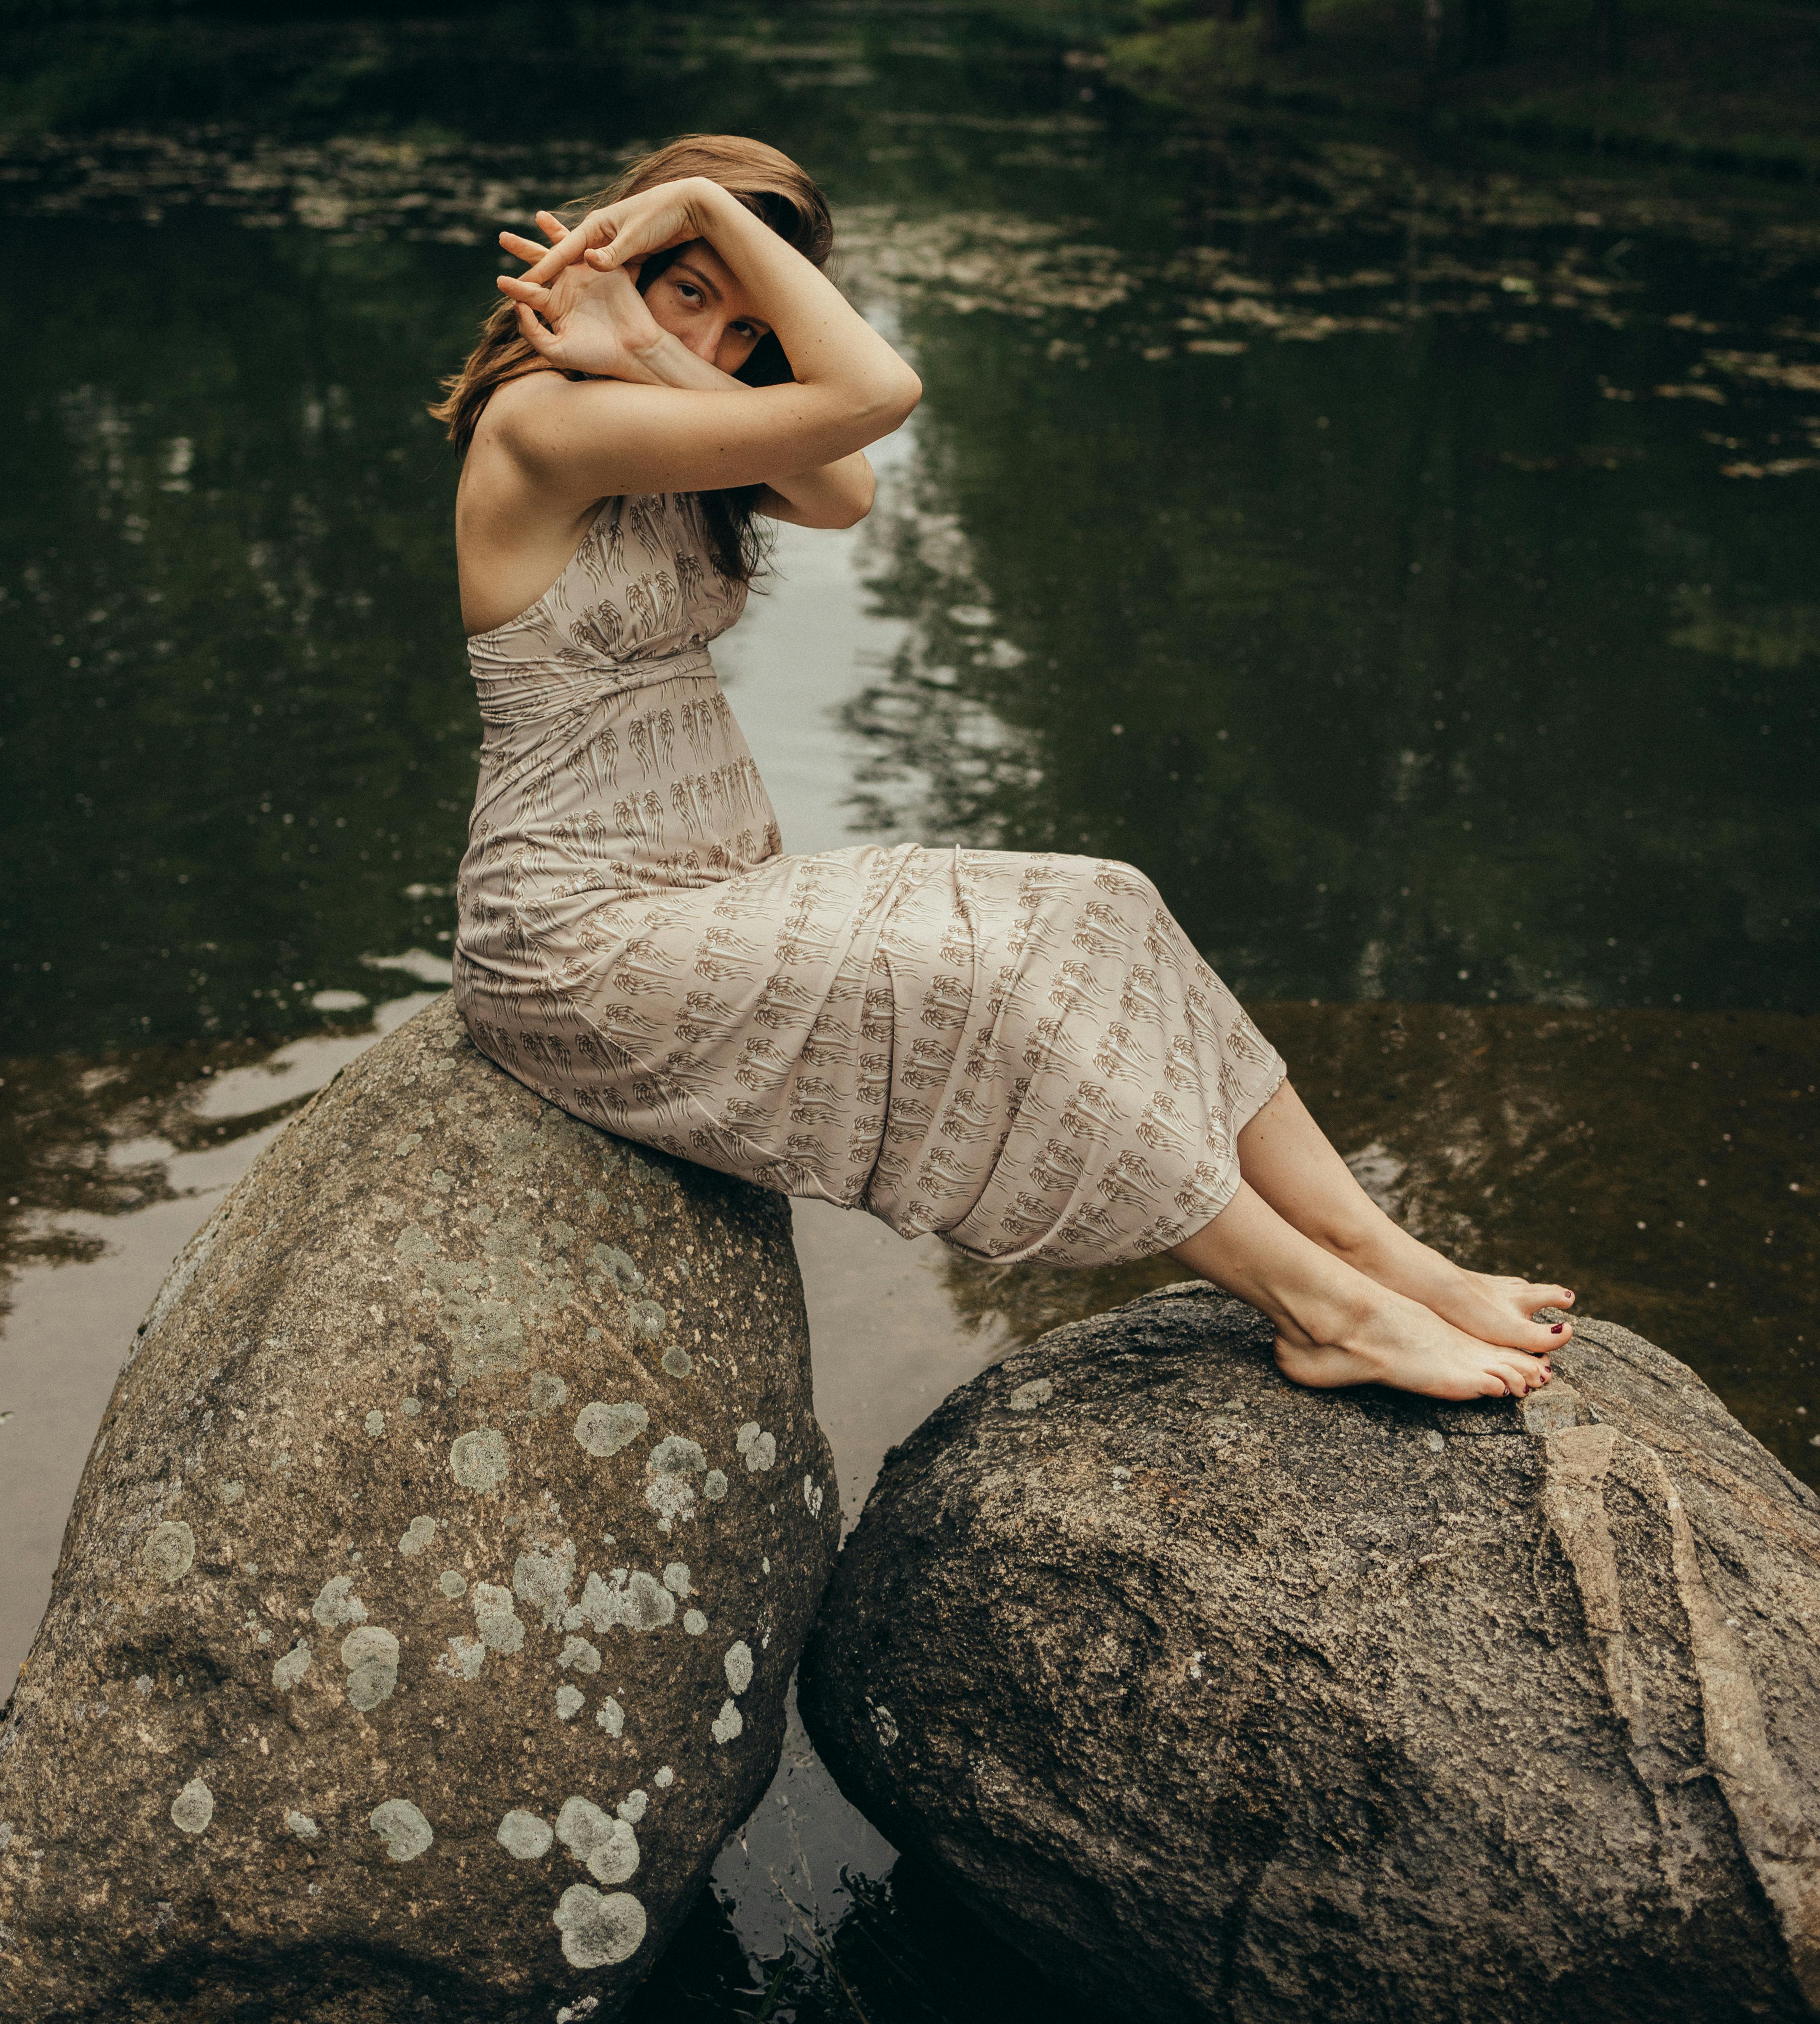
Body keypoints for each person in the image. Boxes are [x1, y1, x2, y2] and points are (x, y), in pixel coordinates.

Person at [434, 134, 1571, 1402]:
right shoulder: (545, 422)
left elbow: (847, 486)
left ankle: (1377, 1249)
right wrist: (690, 202)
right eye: (686, 289)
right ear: (612, 254)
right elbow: (879, 391)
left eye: (746, 332)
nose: (715, 350)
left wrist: (653, 336)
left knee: (1103, 903)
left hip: (701, 893)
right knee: (975, 986)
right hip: (577, 939)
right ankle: (1326, 1309)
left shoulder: (651, 405)